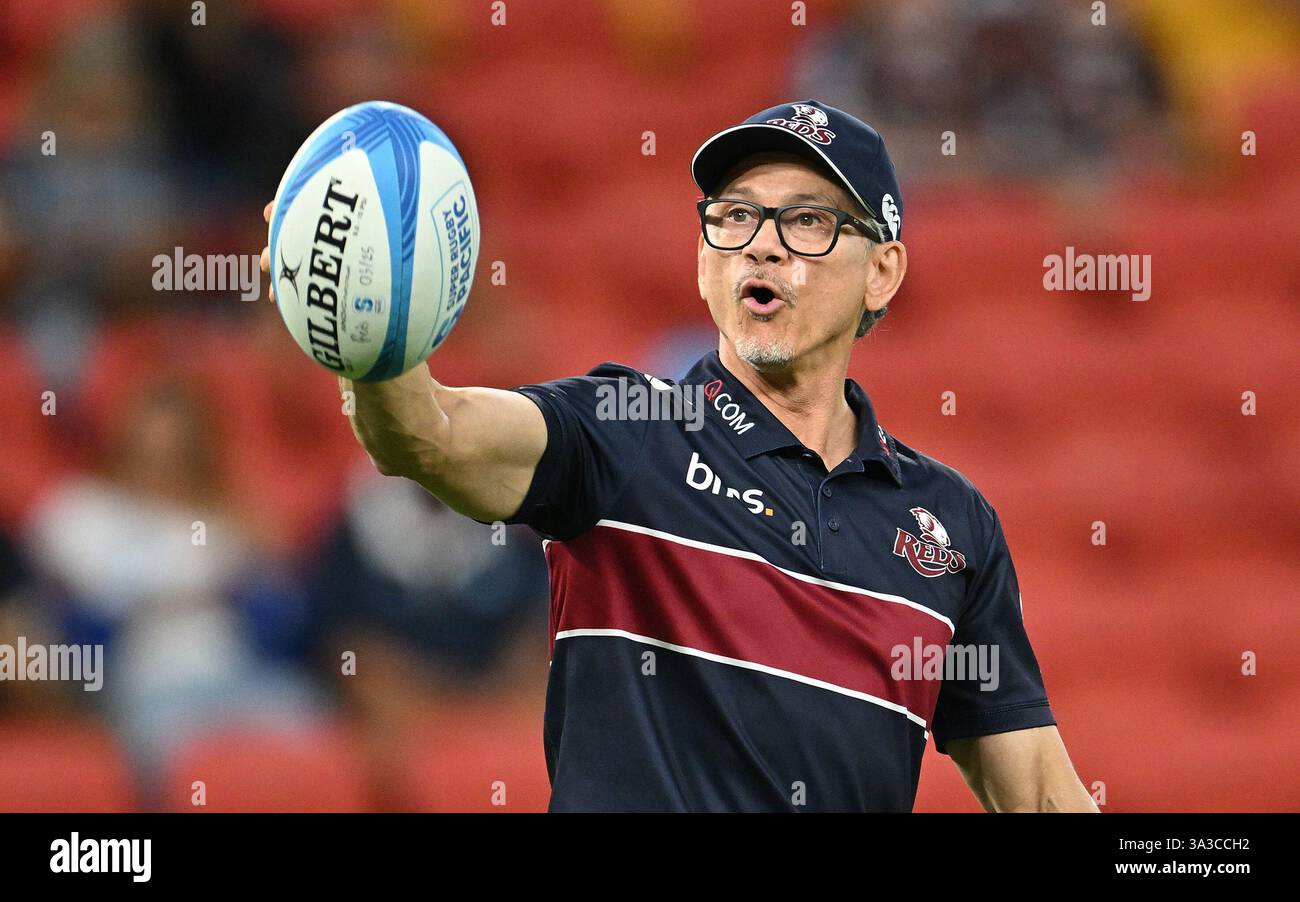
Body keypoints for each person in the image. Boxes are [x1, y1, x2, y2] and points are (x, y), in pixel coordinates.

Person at [260, 99, 1097, 813]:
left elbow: (1040, 793)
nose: (763, 245)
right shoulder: (622, 432)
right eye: (736, 216)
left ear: (882, 272)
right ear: (705, 261)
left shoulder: (952, 525)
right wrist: (367, 323)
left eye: (806, 220)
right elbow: (426, 434)